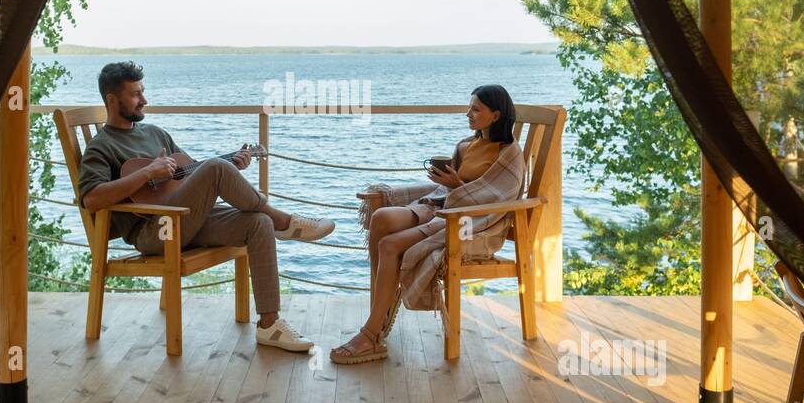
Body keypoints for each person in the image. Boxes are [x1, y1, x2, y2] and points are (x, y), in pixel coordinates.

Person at [77, 61, 334, 352]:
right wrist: (148, 173)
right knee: (218, 169)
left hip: (183, 221)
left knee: (257, 223)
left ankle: (269, 326)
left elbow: (192, 174)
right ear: (112, 100)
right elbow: (92, 199)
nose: (144, 100)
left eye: (143, 91)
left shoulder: (155, 133)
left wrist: (232, 166)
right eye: (135, 94)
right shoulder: (102, 146)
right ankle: (285, 222)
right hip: (156, 233)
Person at [331, 84, 525, 364]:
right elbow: (456, 186)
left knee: (389, 245)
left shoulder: (508, 153)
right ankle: (381, 311)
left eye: (475, 109)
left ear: (495, 115)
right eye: (469, 107)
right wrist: (447, 183)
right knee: (381, 218)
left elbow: (498, 195)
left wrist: (456, 186)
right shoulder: (466, 145)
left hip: (469, 221)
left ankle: (371, 335)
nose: (468, 113)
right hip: (441, 204)